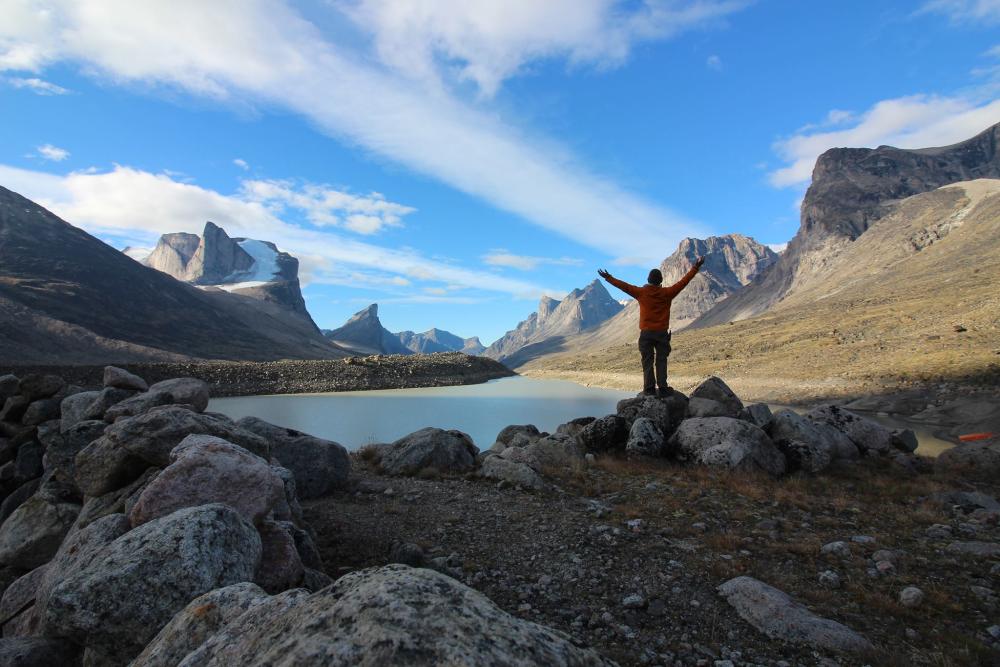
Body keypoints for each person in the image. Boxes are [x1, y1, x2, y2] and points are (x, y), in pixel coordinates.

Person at [598, 257, 704, 397]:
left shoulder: (641, 292)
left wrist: (609, 278)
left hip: (646, 333)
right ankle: (663, 388)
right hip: (662, 334)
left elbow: (624, 286)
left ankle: (649, 389)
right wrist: (695, 267)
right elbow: (684, 282)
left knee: (647, 361)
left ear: (648, 279)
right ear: (661, 281)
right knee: (661, 360)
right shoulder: (668, 293)